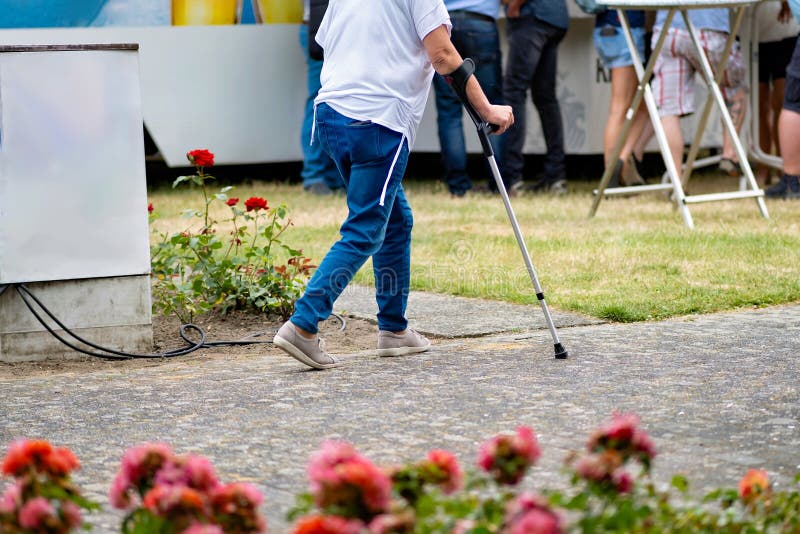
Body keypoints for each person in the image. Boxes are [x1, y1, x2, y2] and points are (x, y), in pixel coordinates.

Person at [273, 0, 514, 369]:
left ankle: (394, 329)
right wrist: (488, 109)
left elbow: (327, 43)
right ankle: (303, 324)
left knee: (395, 220)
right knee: (366, 228)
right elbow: (443, 55)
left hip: (332, 115)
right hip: (378, 121)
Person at [650, 9, 747, 181]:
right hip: (707, 27)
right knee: (735, 89)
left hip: (667, 30)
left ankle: (676, 180)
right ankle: (729, 154)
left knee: (669, 110)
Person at [432, 0, 505, 197]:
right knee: (492, 108)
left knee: (449, 110)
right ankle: (498, 184)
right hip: (482, 24)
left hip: (444, 25)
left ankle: (458, 185)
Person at [501, 0, 569, 195]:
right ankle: (556, 176)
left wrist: (514, 5)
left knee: (515, 92)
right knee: (545, 97)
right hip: (554, 17)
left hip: (532, 16)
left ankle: (512, 178)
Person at [594, 8, 649, 187]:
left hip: (609, 29)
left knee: (643, 105)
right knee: (619, 108)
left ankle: (622, 162)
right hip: (624, 30)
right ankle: (611, 176)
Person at [298, 0, 341, 195]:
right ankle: (316, 175)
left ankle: (332, 176)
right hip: (321, 25)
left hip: (339, 25)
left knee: (341, 102)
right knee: (319, 101)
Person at [755, 1, 799, 187]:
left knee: (784, 104)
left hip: (785, 34)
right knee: (759, 107)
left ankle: (786, 168)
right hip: (753, 34)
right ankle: (763, 168)